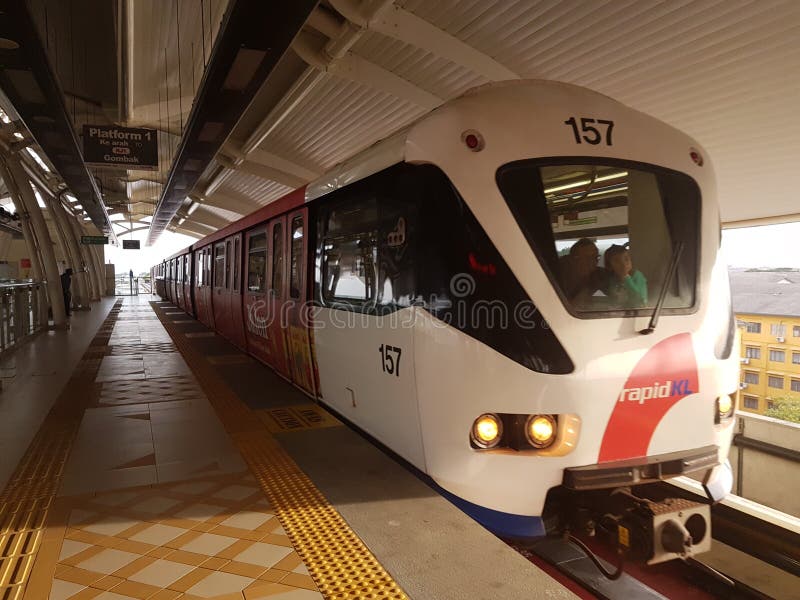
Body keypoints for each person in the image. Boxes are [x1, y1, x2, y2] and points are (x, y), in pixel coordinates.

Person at [560, 238, 606, 305]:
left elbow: (613, 290)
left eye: (596, 257)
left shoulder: (598, 274)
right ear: (574, 259)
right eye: (589, 258)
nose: (595, 262)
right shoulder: (559, 279)